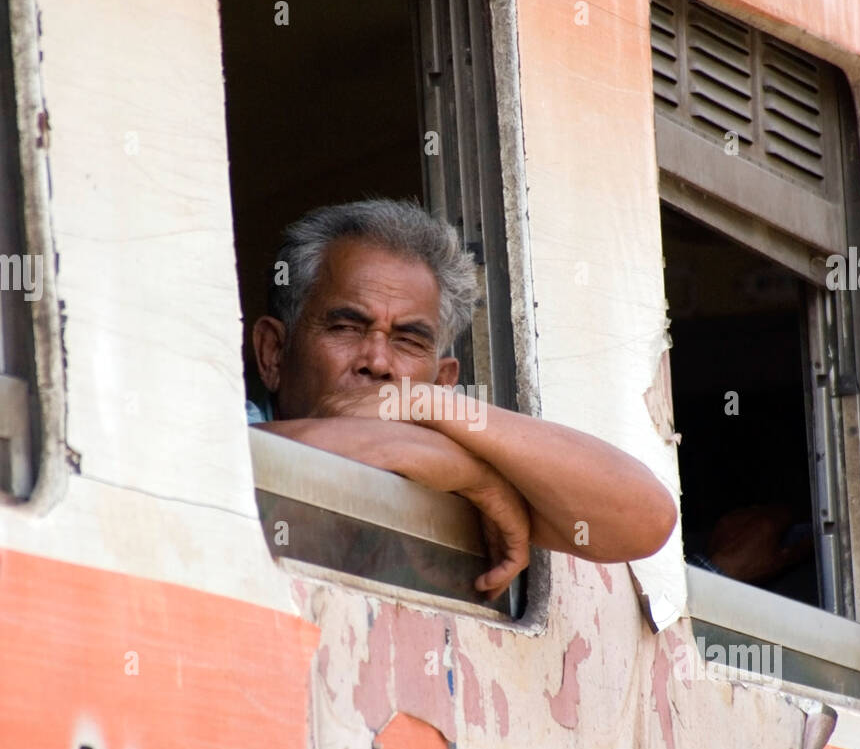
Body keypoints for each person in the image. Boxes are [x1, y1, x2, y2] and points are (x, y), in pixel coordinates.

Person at [248, 198, 677, 601]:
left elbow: (645, 521)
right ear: (272, 353)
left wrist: (430, 409)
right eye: (345, 328)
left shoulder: (435, 428)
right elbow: (235, 455)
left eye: (408, 340)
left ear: (443, 382)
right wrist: (477, 477)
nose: (377, 362)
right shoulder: (223, 422)